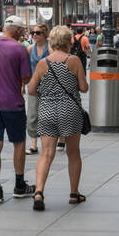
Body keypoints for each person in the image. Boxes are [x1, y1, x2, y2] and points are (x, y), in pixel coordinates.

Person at [27, 25, 89, 212]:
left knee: (46, 154)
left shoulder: (43, 63)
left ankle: (38, 192)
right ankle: (73, 193)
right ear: (68, 41)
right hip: (70, 111)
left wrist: (46, 95)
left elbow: (31, 90)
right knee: (73, 153)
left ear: (52, 41)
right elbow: (84, 88)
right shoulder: (74, 60)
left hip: (47, 111)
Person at [0, 16, 34, 204]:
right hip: (13, 105)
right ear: (18, 31)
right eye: (23, 30)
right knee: (19, 143)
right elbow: (26, 77)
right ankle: (19, 185)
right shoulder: (19, 49)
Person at [27, 24, 50, 154]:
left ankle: (55, 139)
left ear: (45, 34)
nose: (35, 35)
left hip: (48, 87)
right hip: (33, 85)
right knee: (32, 115)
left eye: (38, 33)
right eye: (33, 33)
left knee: (48, 115)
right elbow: (24, 68)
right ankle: (34, 144)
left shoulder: (51, 49)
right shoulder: (30, 48)